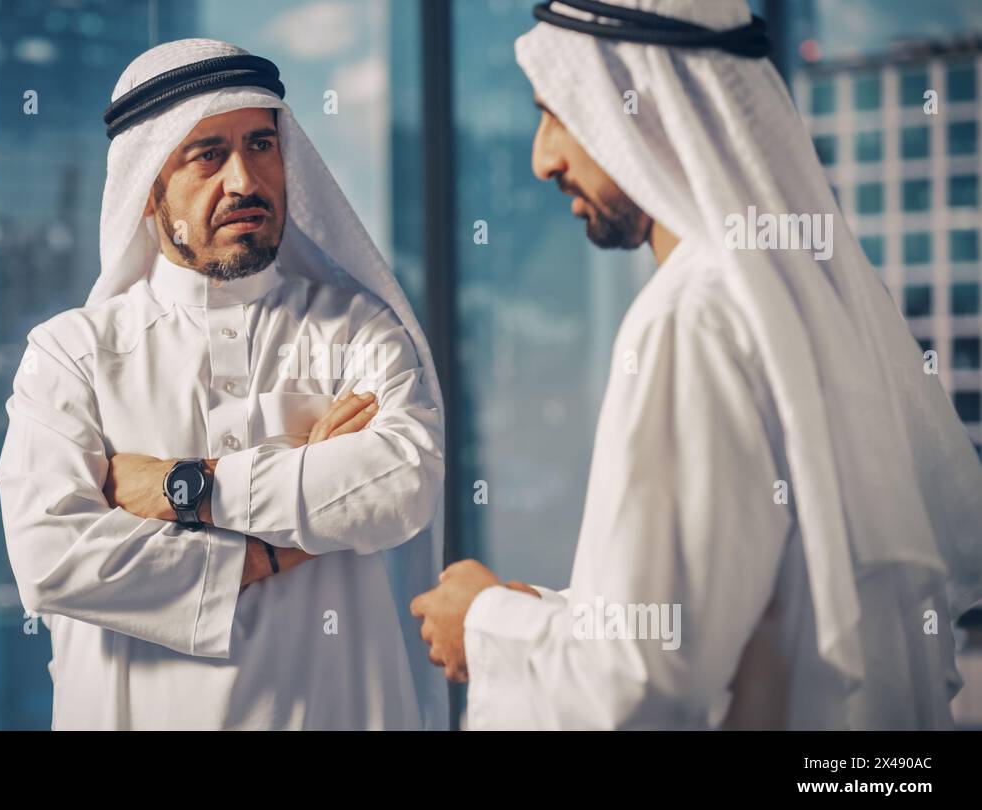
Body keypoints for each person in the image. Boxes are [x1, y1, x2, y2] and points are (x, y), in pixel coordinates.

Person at [411, 0, 982, 729]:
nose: (543, 158)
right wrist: (545, 615)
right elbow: (736, 623)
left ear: (645, 106)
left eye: (559, 113)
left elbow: (645, 686)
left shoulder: (692, 317)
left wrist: (483, 625)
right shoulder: (795, 296)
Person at [0, 38, 446, 730]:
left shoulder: (356, 327)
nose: (244, 179)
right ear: (150, 188)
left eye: (261, 144)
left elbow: (402, 484)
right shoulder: (72, 355)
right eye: (208, 154)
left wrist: (190, 487)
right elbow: (52, 558)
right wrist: (281, 541)